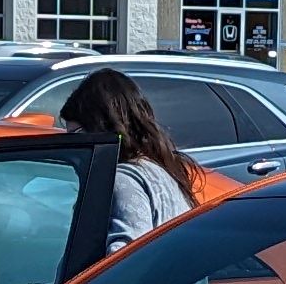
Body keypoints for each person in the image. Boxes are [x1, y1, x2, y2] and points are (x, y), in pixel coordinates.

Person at [57, 68, 200, 249]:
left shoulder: (121, 181)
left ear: (99, 129)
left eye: (76, 136)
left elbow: (123, 258)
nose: (74, 147)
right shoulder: (160, 171)